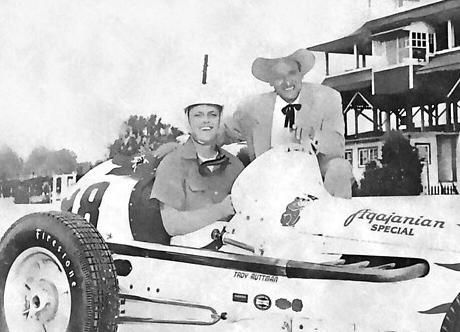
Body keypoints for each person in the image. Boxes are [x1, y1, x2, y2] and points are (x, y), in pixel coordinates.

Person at [224, 48, 353, 198]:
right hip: (271, 182)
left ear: (301, 74)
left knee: (340, 167)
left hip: (315, 181)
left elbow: (337, 146)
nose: (287, 82)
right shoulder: (253, 106)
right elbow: (224, 131)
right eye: (279, 77)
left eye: (292, 73)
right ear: (271, 82)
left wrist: (313, 134)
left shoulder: (326, 97)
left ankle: (333, 219)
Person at [151, 89, 243, 240]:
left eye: (212, 114)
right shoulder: (172, 164)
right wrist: (220, 210)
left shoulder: (235, 165)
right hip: (188, 257)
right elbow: (172, 225)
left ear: (220, 119)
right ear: (188, 122)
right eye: (198, 115)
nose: (206, 120)